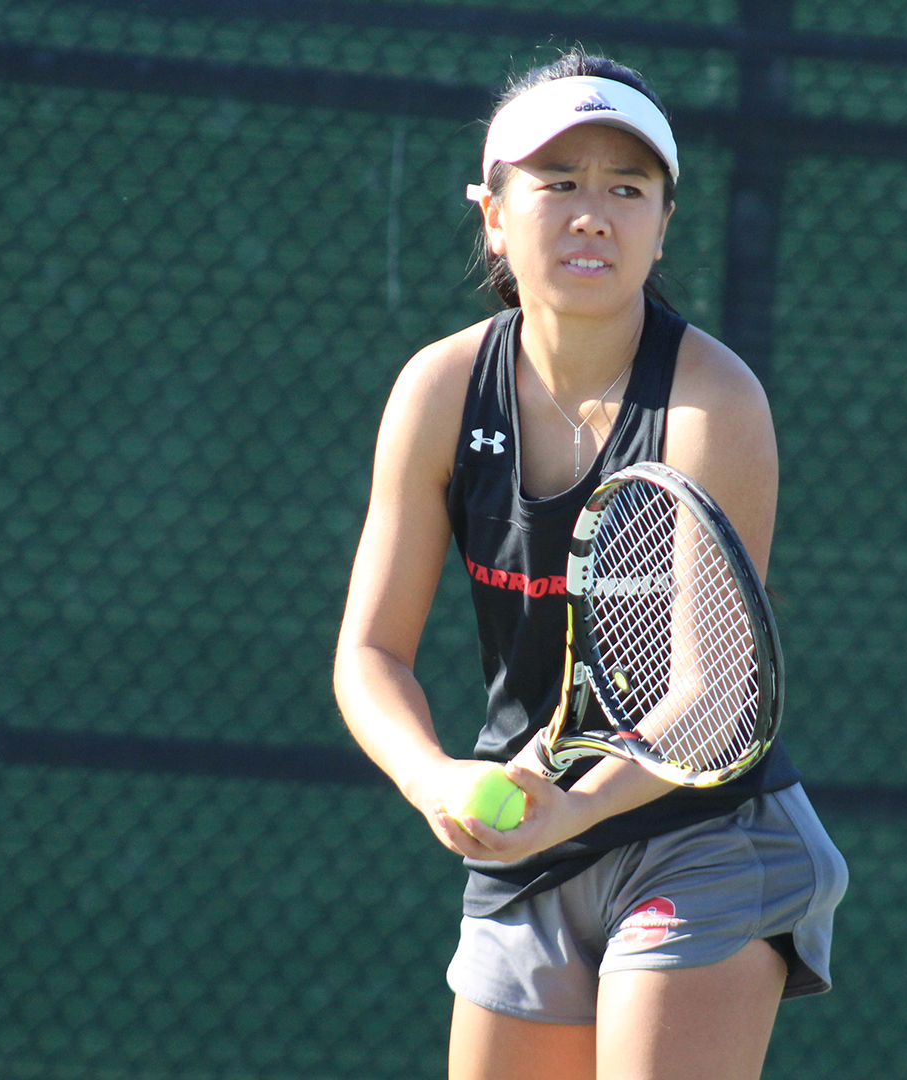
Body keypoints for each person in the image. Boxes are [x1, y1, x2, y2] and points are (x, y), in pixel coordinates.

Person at [333, 51, 848, 1080]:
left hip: (705, 835)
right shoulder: (440, 391)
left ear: (662, 225)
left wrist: (579, 802)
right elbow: (370, 653)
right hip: (533, 849)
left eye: (627, 188)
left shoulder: (714, 405)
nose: (592, 213)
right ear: (494, 213)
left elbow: (715, 695)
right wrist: (434, 775)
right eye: (558, 182)